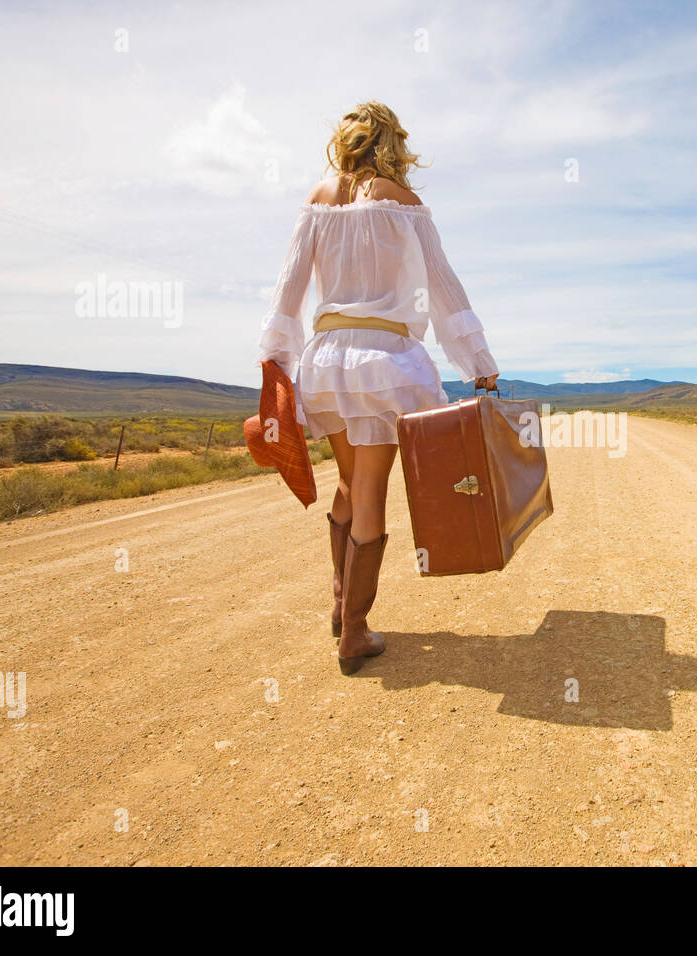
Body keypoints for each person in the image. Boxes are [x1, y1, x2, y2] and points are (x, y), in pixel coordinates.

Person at [256, 101, 499, 675]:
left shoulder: (319, 200)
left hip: (327, 360)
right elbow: (443, 285)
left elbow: (288, 288)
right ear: (393, 143)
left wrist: (274, 361)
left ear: (344, 143)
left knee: (348, 481)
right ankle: (355, 631)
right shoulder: (406, 204)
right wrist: (478, 361)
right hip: (387, 361)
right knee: (369, 490)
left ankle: (343, 608)